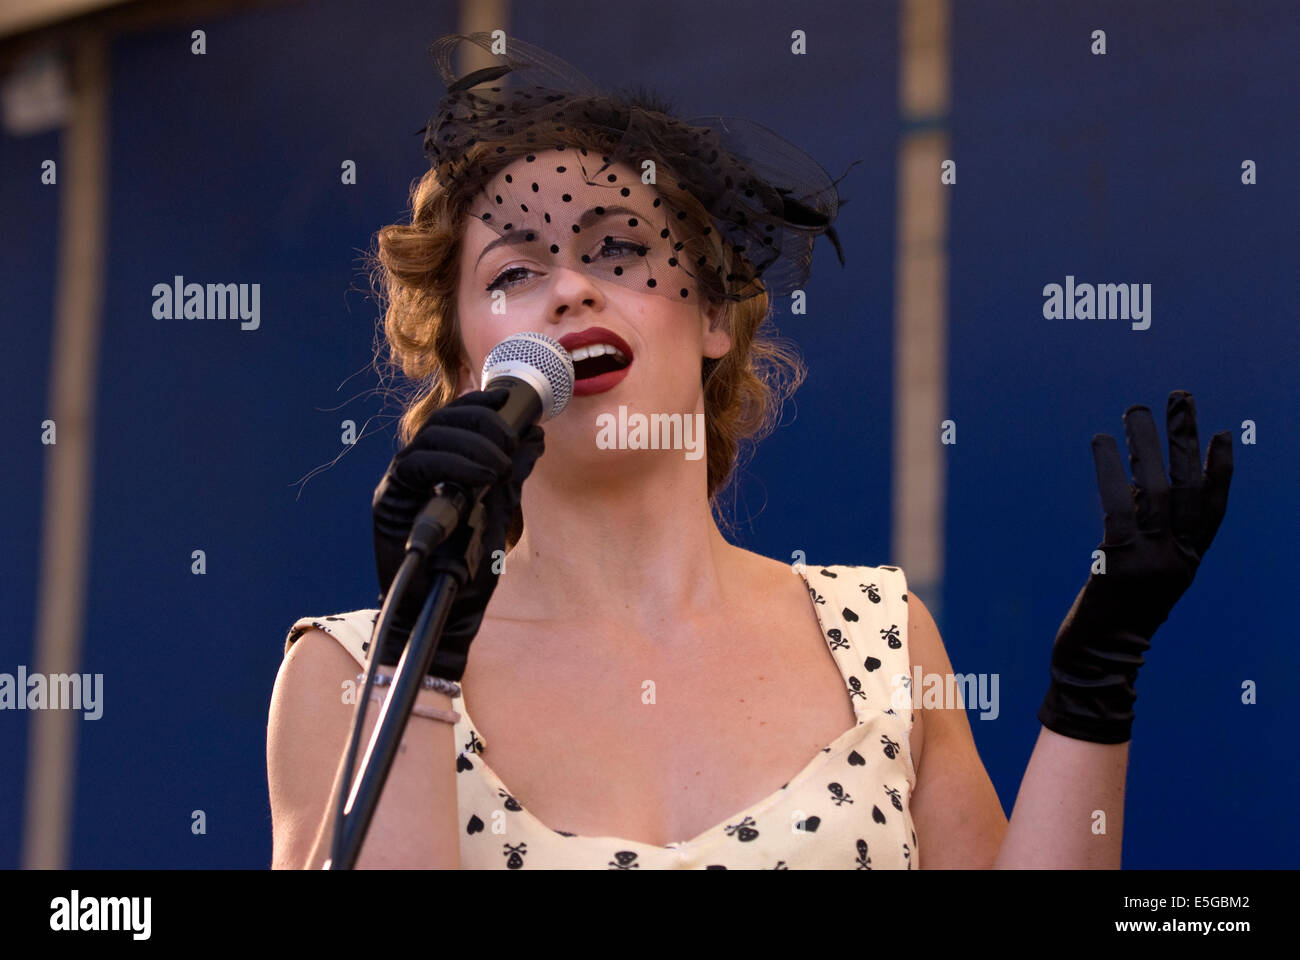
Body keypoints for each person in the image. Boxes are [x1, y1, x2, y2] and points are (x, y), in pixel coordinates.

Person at [267, 34, 1233, 870]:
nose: (568, 289)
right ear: (465, 358)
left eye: (616, 251)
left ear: (716, 316)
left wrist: (1094, 686)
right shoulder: (345, 670)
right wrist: (416, 673)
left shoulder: (881, 636)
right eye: (516, 270)